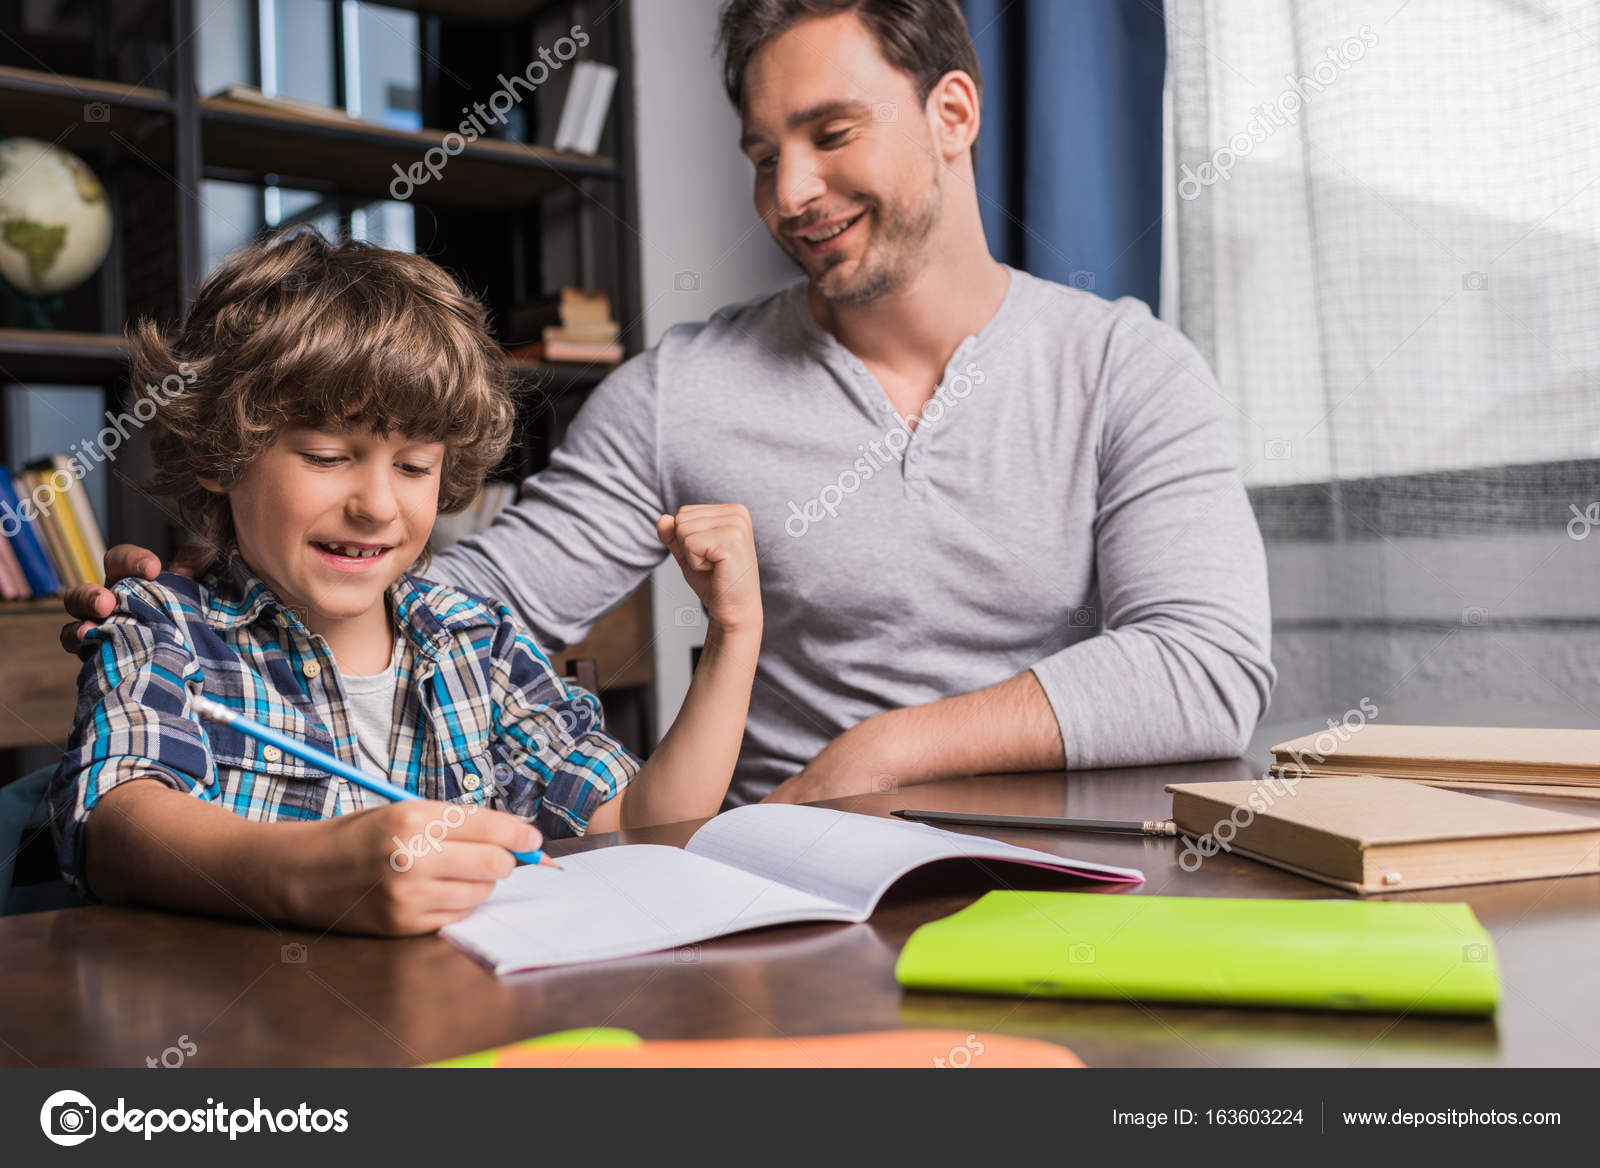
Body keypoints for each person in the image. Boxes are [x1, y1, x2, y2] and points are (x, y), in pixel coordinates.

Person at [65, 0, 1273, 809]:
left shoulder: (1127, 365)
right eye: (761, 154)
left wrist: (886, 747)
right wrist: (211, 596)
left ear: (951, 114)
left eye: (829, 133)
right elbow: (463, 596)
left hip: (1060, 868)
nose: (790, 192)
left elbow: (1206, 666)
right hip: (783, 887)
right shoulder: (680, 390)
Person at [49, 230, 762, 935]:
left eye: (415, 467)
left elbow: (641, 827)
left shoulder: (477, 640)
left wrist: (735, 635)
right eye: (328, 456)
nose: (377, 505)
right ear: (217, 453)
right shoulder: (163, 627)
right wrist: (307, 873)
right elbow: (114, 818)